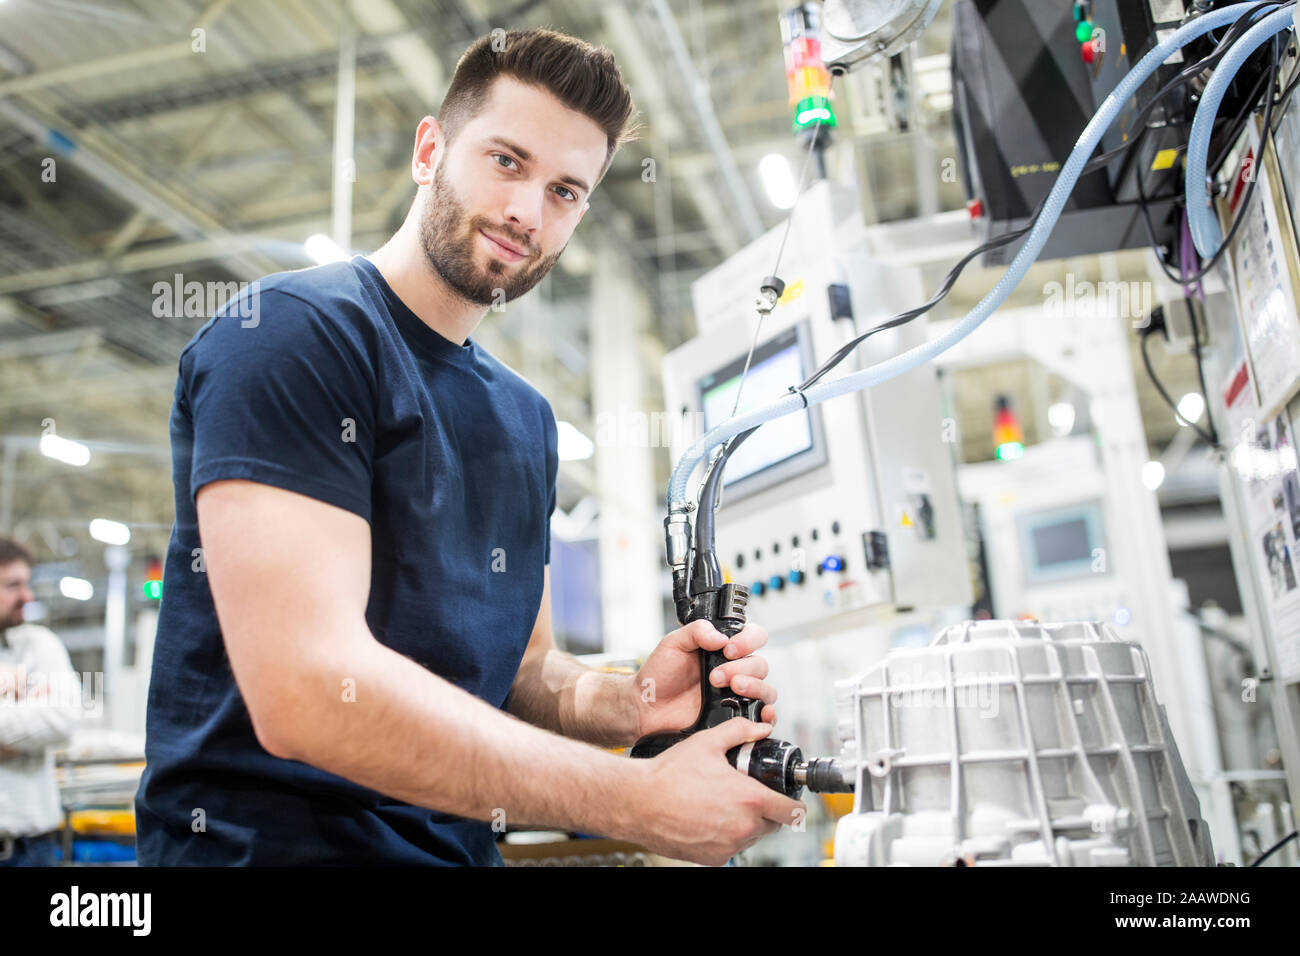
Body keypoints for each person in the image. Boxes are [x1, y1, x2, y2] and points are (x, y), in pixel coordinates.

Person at [135, 27, 801, 866]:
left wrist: (629, 702)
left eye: (566, 191)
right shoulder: (293, 338)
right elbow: (309, 695)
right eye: (507, 161)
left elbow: (523, 672)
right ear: (429, 149)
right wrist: (634, 800)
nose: (528, 212)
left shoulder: (523, 420)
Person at [0, 536, 80, 866]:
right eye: (12, 585)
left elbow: (60, 720)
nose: (26, 597)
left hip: (28, 850)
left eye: (26, 584)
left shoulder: (40, 646)